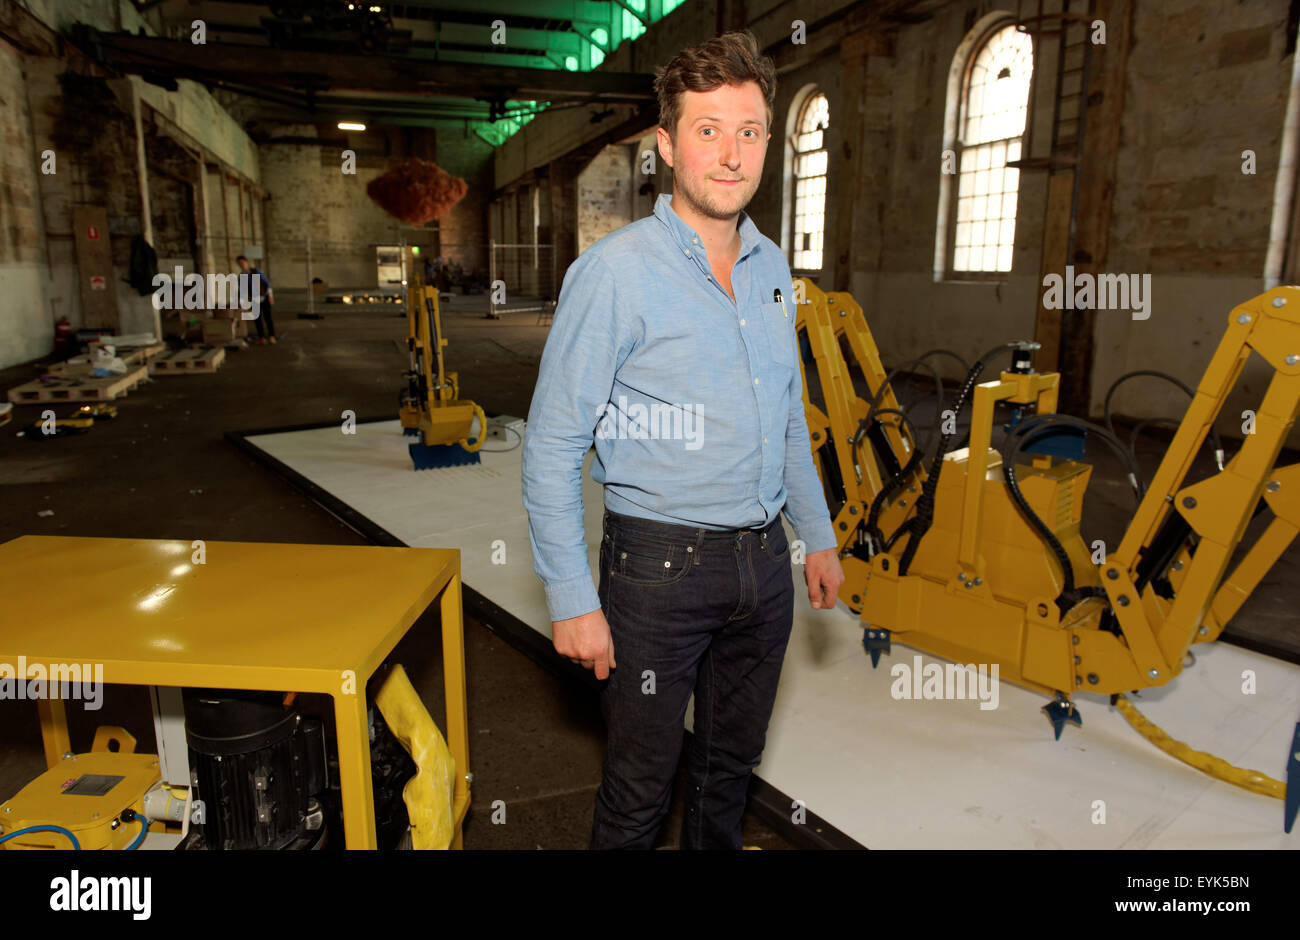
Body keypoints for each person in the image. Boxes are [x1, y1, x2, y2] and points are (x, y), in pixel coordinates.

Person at [521, 30, 844, 850]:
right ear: (666, 144)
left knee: (726, 778)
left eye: (750, 131)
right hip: (657, 574)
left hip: (765, 567)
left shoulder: (774, 269)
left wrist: (817, 537)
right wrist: (572, 597)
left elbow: (786, 417)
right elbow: (553, 444)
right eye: (708, 130)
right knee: (638, 793)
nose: (731, 154)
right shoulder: (616, 273)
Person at [237, 255, 276, 344]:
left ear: (247, 263)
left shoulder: (256, 271)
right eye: (239, 263)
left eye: (243, 263)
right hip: (253, 300)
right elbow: (242, 291)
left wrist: (270, 297)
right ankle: (261, 337)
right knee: (257, 319)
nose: (242, 265)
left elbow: (267, 283)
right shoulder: (241, 277)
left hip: (264, 298)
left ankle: (272, 336)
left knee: (268, 318)